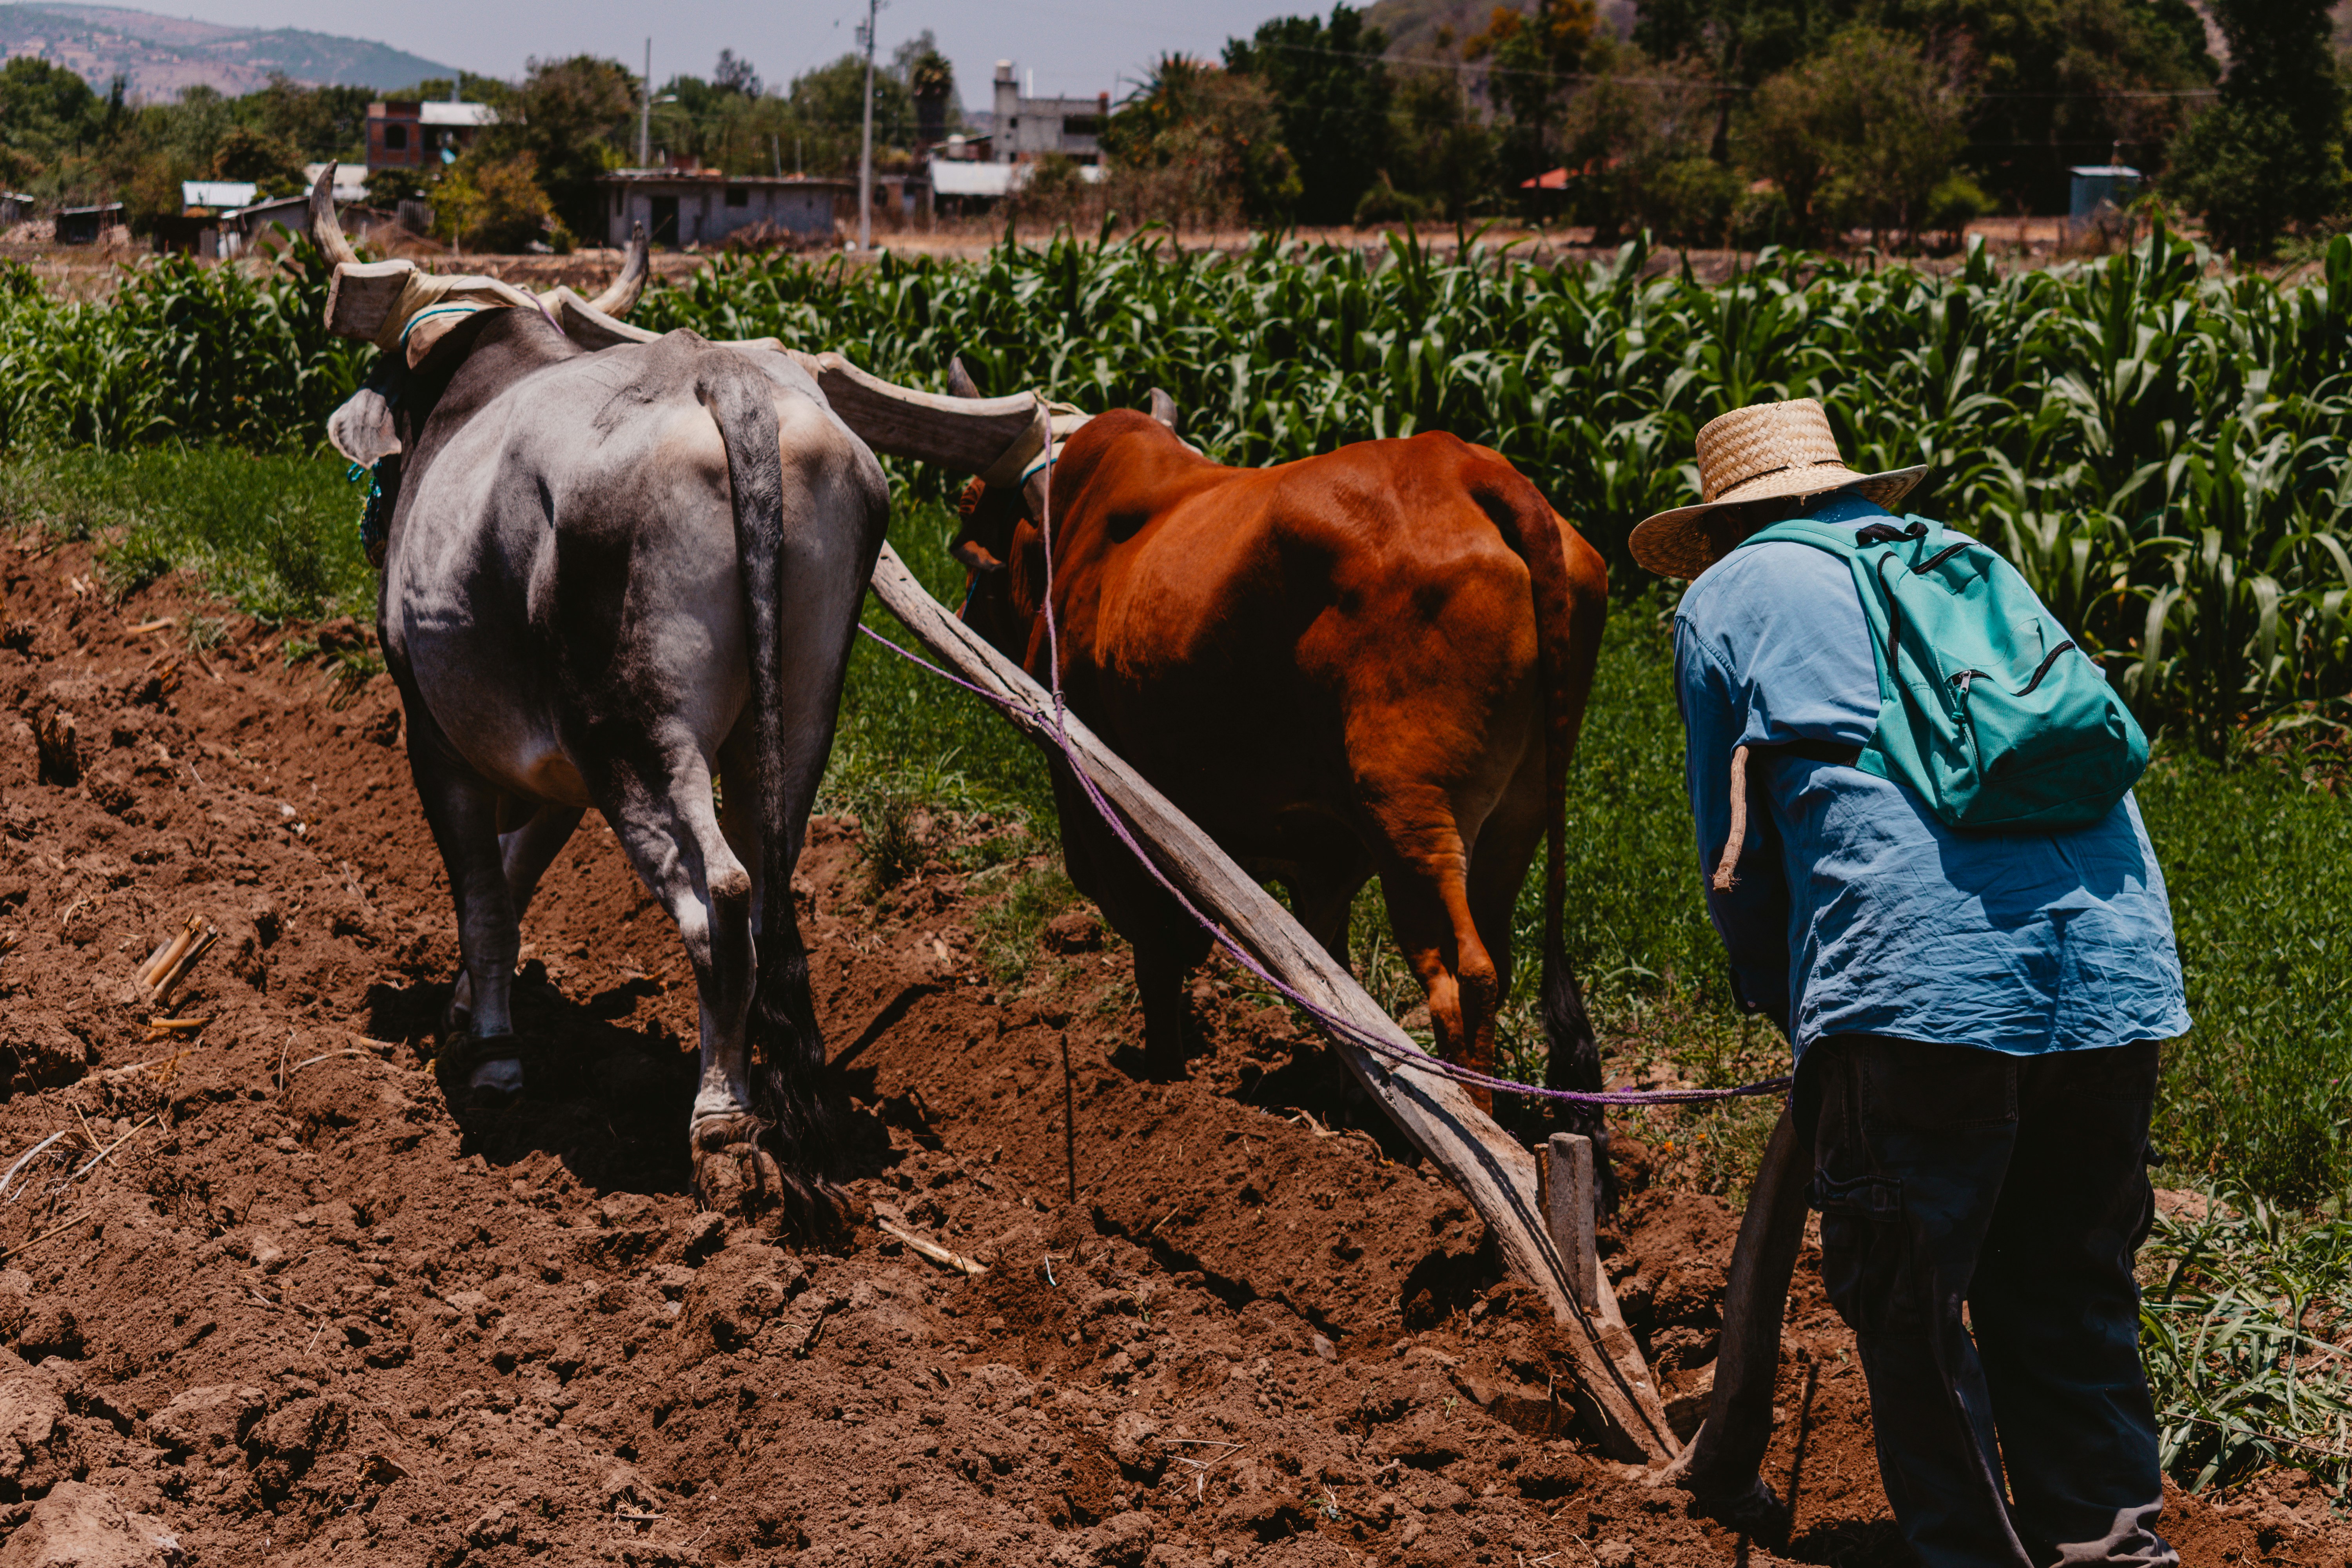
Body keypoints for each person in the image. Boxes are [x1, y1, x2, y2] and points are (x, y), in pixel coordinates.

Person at [1630, 398, 2191, 1568]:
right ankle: (2115, 1555)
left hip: (1917, 994)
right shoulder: (1961, 558)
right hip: (2119, 975)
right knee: (2069, 1288)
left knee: (1910, 1308)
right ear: (1845, 490)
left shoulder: (1726, 599)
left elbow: (1733, 860)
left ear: (1725, 523)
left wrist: (1797, 1009)